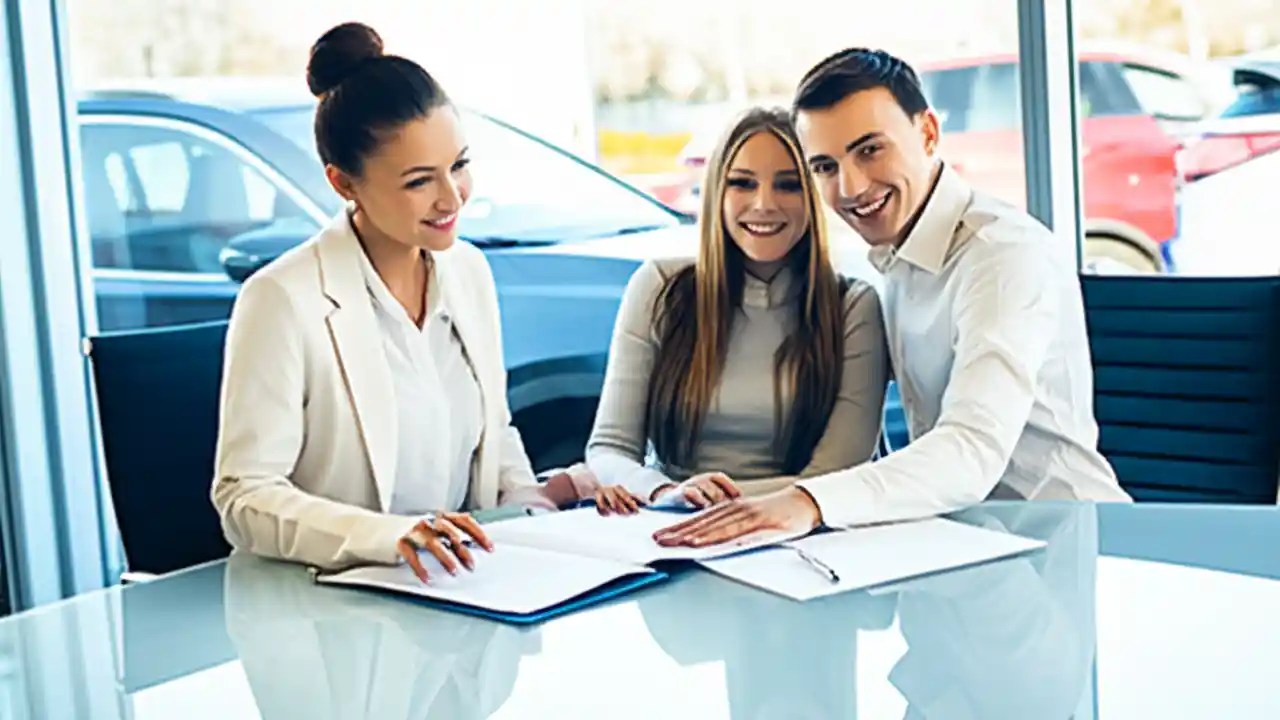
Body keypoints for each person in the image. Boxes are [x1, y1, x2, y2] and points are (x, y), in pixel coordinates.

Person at [654, 48, 1130, 548]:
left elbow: (971, 449)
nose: (851, 187)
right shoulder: (891, 256)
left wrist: (809, 501)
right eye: (825, 166)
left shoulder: (1001, 256)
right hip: (961, 546)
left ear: (927, 133)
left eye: (869, 150)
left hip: (1054, 543)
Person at [211, 22, 592, 583]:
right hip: (333, 610)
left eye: (459, 165)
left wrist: (533, 499)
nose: (451, 197)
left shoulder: (468, 272)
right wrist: (392, 537)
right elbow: (244, 497)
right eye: (419, 181)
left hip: (467, 590)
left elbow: (493, 429)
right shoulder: (282, 300)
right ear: (343, 183)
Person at [586, 107, 888, 514]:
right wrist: (663, 493)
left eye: (788, 185)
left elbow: (837, 475)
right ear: (716, 193)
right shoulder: (660, 287)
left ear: (814, 195)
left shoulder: (854, 307)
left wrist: (711, 503)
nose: (764, 204)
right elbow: (610, 449)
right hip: (670, 524)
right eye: (742, 184)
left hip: (801, 533)